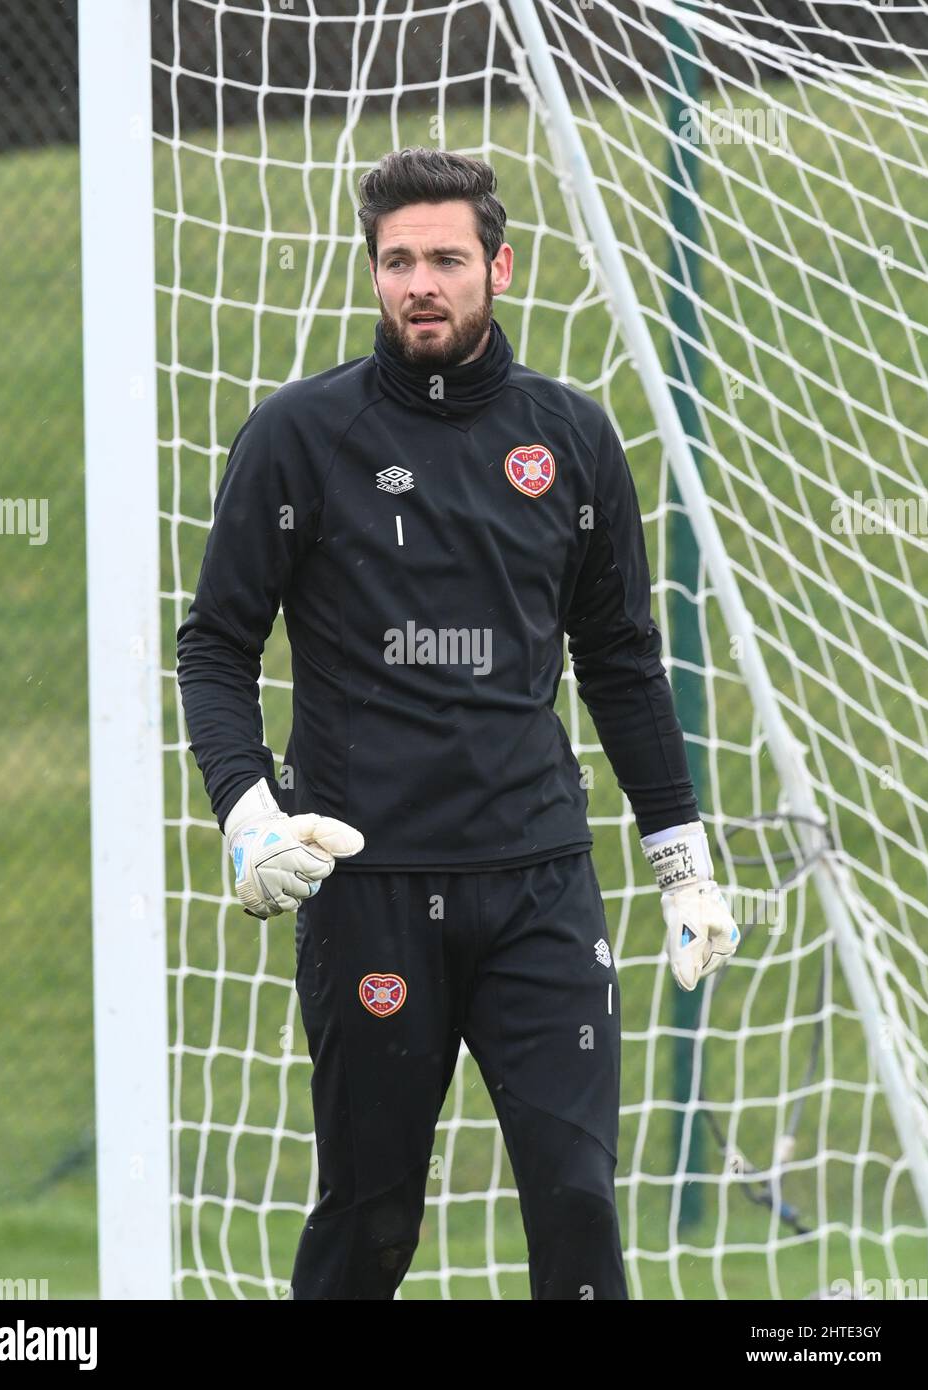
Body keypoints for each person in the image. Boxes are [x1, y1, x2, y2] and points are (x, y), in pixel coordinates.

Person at [176, 146, 740, 1300]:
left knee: (580, 1201)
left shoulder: (573, 439)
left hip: (537, 882)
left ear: (499, 265)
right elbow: (215, 647)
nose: (419, 283)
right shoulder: (298, 436)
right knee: (373, 1219)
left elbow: (621, 660)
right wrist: (245, 810)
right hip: (367, 887)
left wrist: (681, 862)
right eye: (396, 261)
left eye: (444, 257)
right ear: (371, 272)